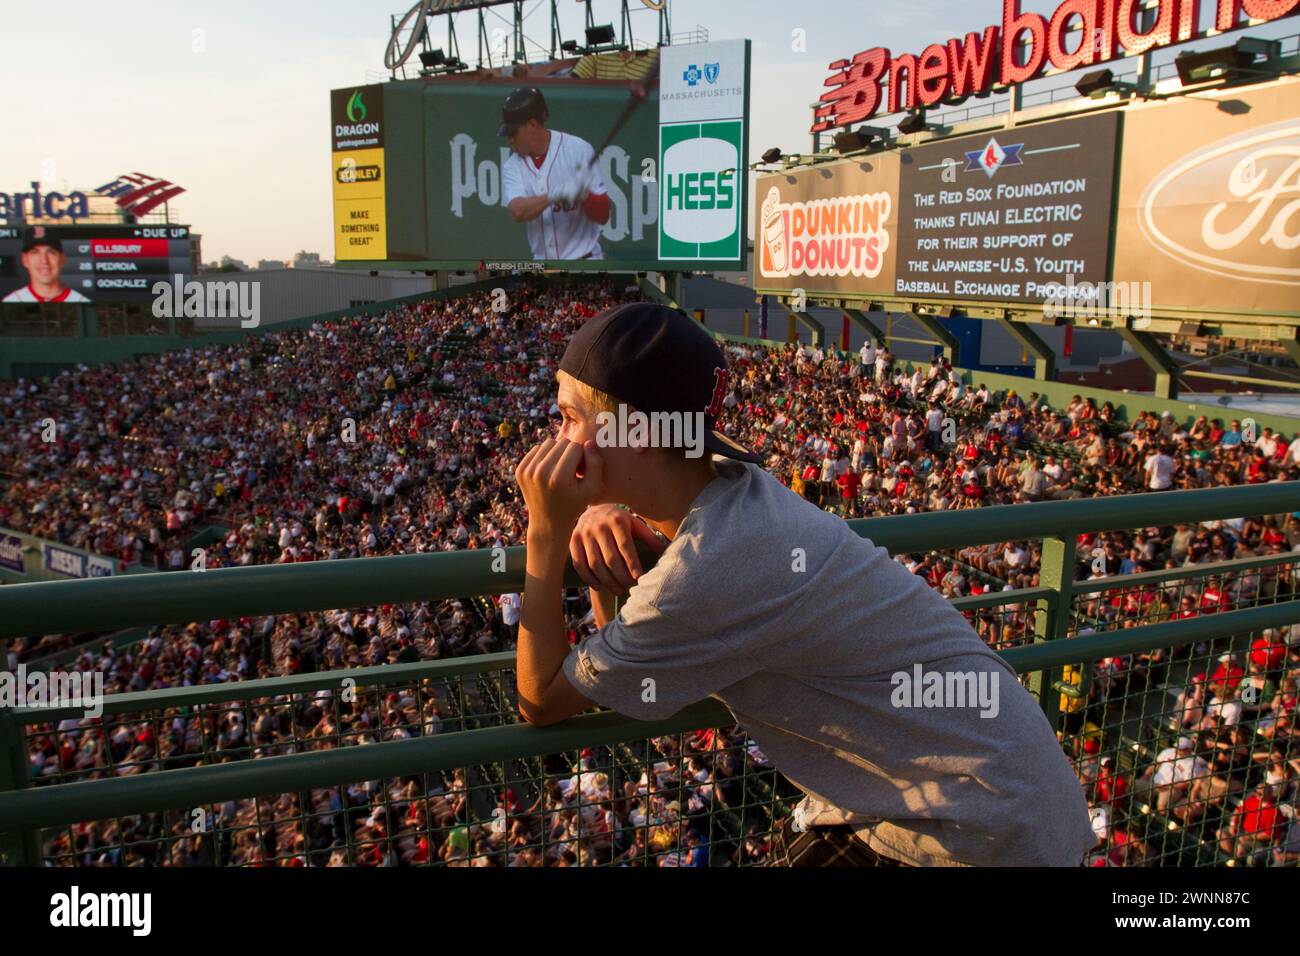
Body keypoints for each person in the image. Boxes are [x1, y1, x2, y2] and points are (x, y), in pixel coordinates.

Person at [511, 301, 1096, 867]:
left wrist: (546, 531)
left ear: (631, 432)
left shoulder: (709, 564)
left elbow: (541, 701)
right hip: (979, 790)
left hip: (979, 827)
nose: (556, 437)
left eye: (568, 417)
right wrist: (604, 517)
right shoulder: (738, 491)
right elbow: (657, 661)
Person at [499, 86, 611, 261]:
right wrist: (554, 194)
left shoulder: (578, 150)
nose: (510, 139)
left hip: (586, 263)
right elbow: (518, 211)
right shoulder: (512, 166)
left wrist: (585, 195)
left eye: (513, 132)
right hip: (542, 268)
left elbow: (603, 215)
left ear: (533, 125)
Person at [2, 228, 90, 303]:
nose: (44, 261)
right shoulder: (12, 300)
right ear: (25, 260)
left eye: (51, 252)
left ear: (62, 259)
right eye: (35, 252)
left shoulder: (81, 301)